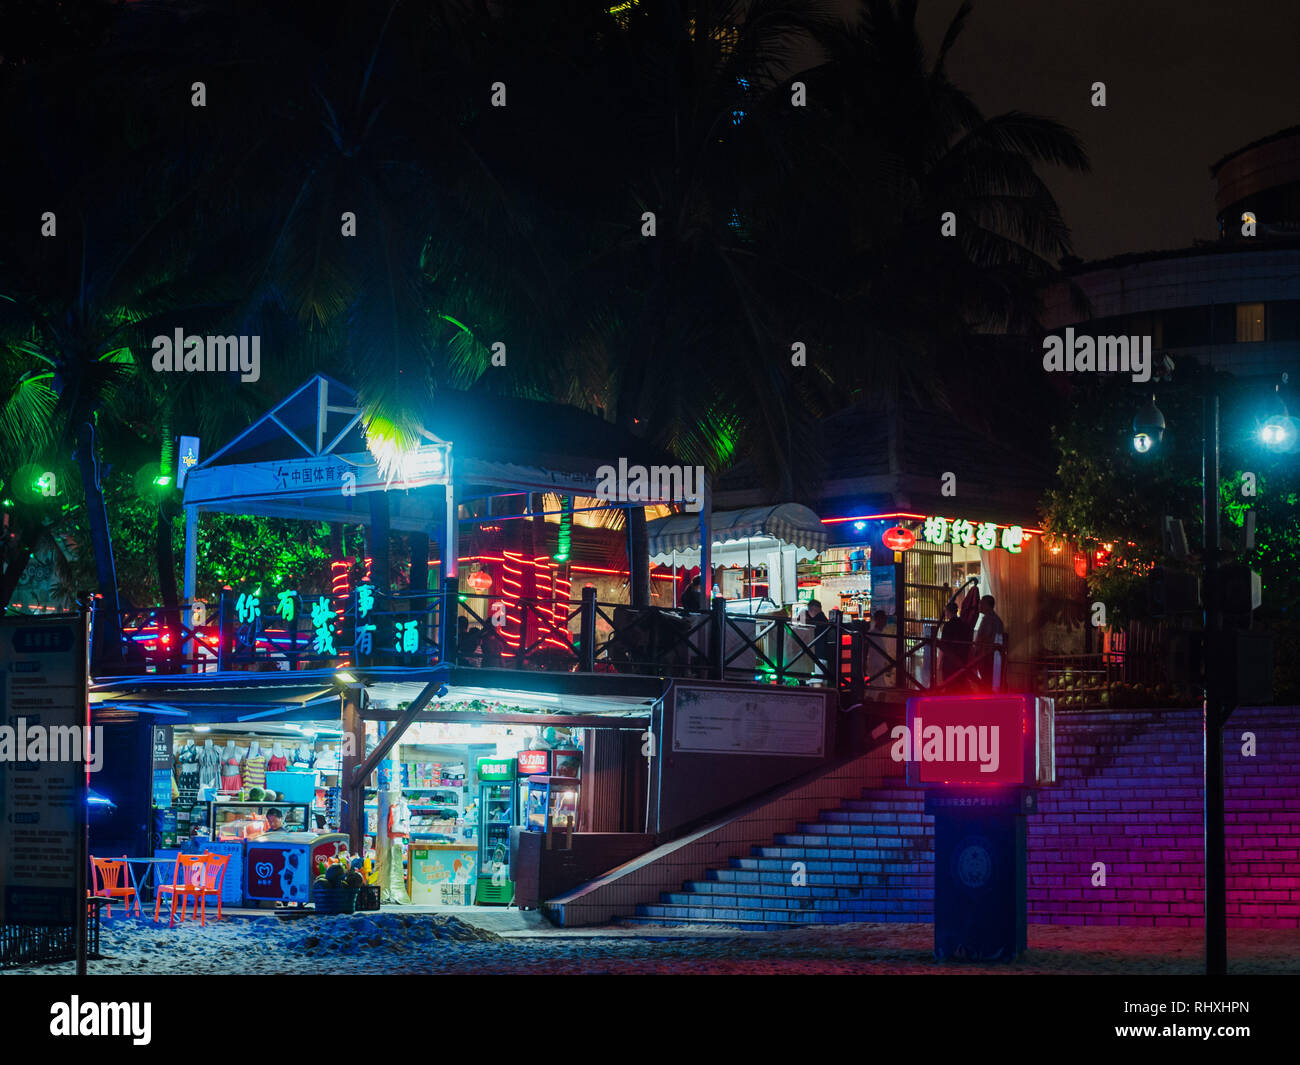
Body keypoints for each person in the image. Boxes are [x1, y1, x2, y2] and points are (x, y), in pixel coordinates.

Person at [972, 595, 1005, 691]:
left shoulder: (988, 620)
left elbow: (984, 638)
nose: (979, 605)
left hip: (986, 657)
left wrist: (976, 653)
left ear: (987, 605)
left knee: (985, 683)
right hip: (994, 658)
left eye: (981, 603)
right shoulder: (998, 620)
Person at [937, 601, 973, 688]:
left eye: (945, 611)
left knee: (949, 682)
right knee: (960, 682)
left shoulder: (948, 626)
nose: (945, 613)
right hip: (962, 658)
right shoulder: (965, 625)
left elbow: (944, 644)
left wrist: (940, 661)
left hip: (950, 659)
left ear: (948, 612)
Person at [866, 609, 892, 687]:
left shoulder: (875, 634)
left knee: (876, 688)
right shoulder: (873, 634)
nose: (885, 622)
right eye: (883, 619)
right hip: (875, 667)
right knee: (878, 688)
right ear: (878, 620)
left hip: (877, 667)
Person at [804, 598, 831, 671]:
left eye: (809, 610)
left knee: (817, 681)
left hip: (818, 655)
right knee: (820, 680)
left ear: (813, 608)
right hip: (824, 655)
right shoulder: (824, 620)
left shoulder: (816, 622)